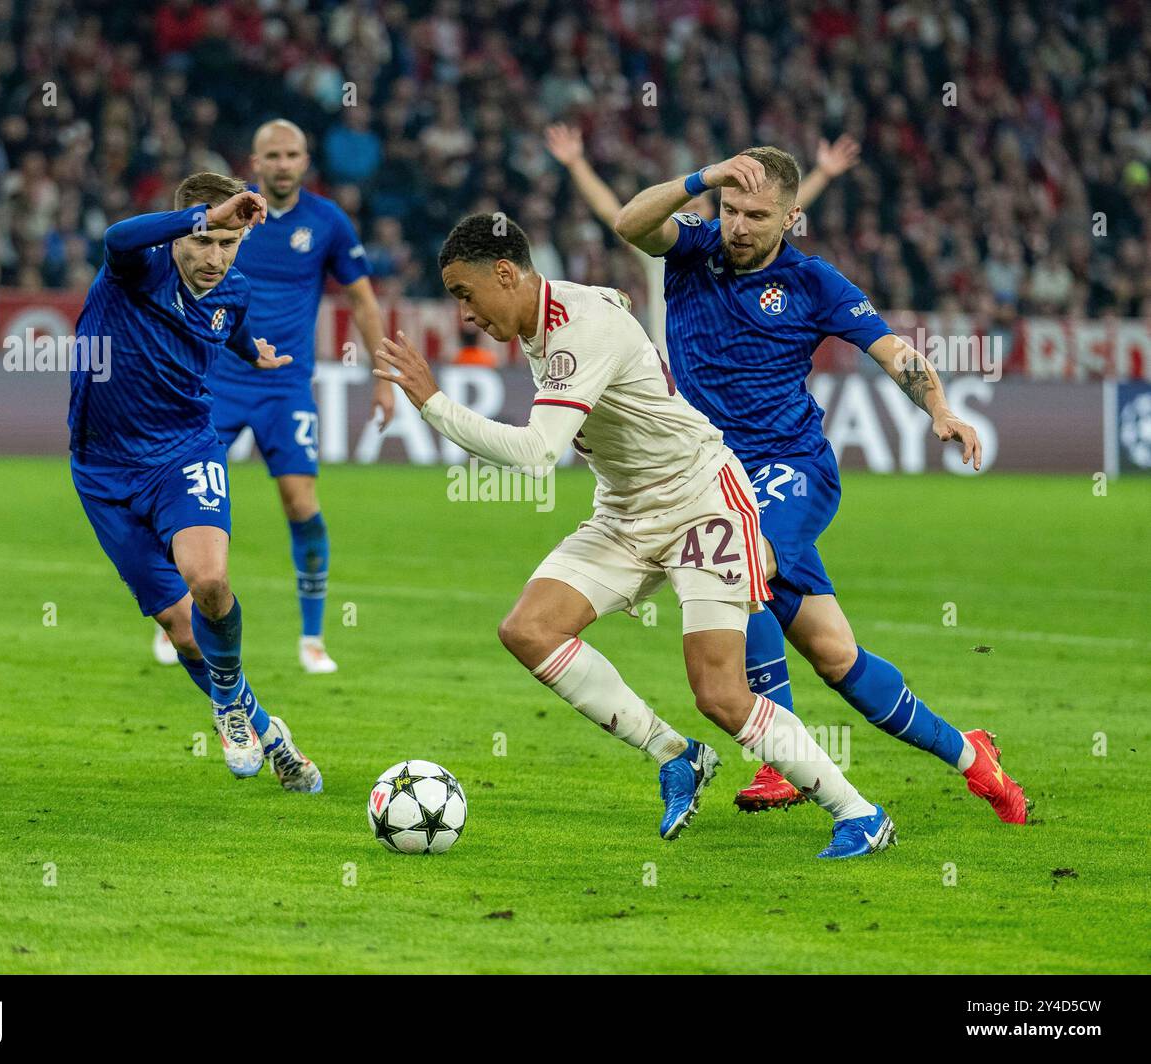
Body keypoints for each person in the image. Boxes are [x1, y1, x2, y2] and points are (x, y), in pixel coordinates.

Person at [373, 212, 895, 858]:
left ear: (505, 274)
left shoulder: (577, 331)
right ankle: (676, 756)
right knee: (529, 630)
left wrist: (433, 403)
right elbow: (611, 307)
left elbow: (539, 453)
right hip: (626, 511)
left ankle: (860, 814)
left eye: (464, 293)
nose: (466, 313)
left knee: (722, 694)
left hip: (703, 501)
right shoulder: (553, 314)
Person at [614, 149, 1029, 821]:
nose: (738, 226)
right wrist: (701, 180)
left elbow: (895, 353)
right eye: (730, 211)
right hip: (711, 477)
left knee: (736, 558)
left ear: (792, 217)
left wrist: (942, 409)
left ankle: (779, 763)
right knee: (836, 656)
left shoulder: (813, 283)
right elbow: (630, 223)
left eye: (757, 215)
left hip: (789, 470)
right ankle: (971, 753)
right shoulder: (693, 249)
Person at [70, 171, 322, 793]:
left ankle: (229, 706)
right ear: (182, 232)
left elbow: (227, 324)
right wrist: (203, 216)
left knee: (208, 579)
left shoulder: (234, 289)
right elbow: (116, 234)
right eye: (206, 241)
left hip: (184, 449)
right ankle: (259, 722)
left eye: (229, 245)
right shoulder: (137, 269)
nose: (216, 259)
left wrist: (252, 352)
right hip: (102, 470)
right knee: (182, 630)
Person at [155, 119, 394, 675]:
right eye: (273, 155)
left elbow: (362, 302)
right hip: (215, 376)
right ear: (255, 163)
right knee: (183, 496)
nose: (284, 164)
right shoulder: (229, 217)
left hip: (286, 385)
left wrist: (383, 378)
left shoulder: (328, 222)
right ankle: (176, 620)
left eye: (293, 154)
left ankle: (312, 638)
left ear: (306, 160)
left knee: (299, 500)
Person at [544, 125, 861, 354]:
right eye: (686, 208)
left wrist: (824, 173)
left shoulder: (738, 243)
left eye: (699, 207)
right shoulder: (665, 251)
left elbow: (776, 211)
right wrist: (576, 163)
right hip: (674, 384)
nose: (692, 212)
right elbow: (614, 214)